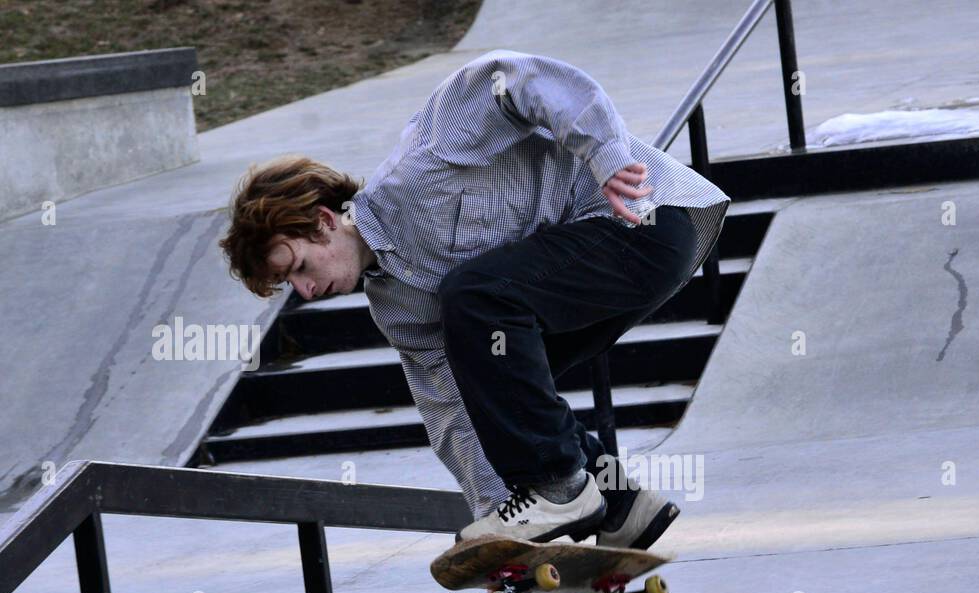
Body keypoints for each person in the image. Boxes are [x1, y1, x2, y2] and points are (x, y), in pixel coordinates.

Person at [219, 49, 729, 550]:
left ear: (325, 222)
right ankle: (620, 506)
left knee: (473, 297)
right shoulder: (395, 306)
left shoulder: (428, 156)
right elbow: (447, 408)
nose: (307, 291)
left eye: (300, 267)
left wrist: (605, 154)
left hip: (644, 220)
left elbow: (522, 76)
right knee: (494, 379)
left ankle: (559, 489)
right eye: (292, 287)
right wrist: (494, 519)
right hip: (602, 274)